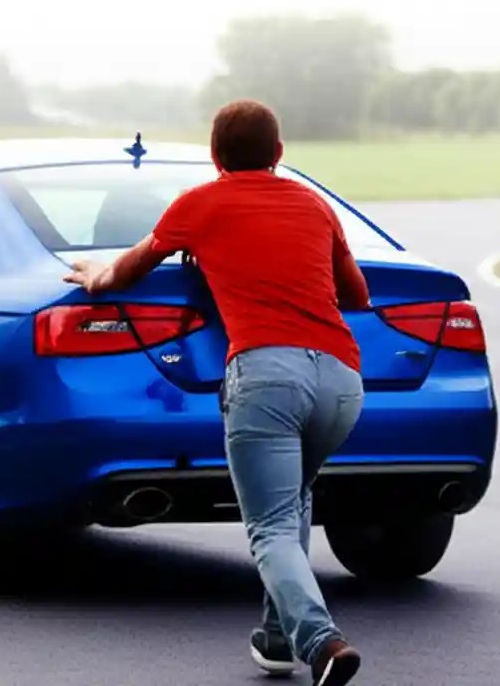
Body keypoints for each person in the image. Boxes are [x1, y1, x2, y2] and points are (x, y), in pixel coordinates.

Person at [63, 99, 372, 686]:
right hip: (340, 382)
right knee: (292, 503)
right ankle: (278, 638)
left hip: (267, 379)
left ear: (214, 156)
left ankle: (322, 644)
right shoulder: (313, 204)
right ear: (279, 154)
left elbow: (130, 269)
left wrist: (95, 276)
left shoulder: (201, 204)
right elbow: (355, 295)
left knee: (272, 527)